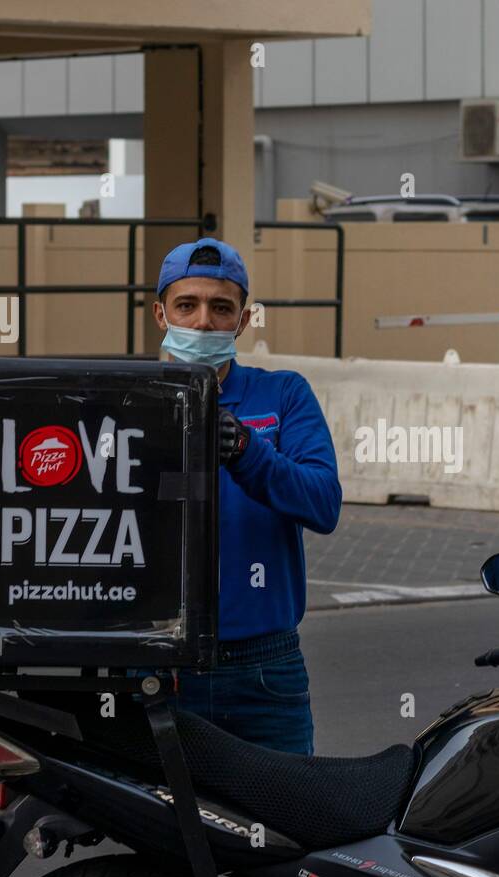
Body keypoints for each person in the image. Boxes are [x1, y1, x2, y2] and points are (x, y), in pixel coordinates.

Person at [152, 237, 341, 755]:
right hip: (156, 666)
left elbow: (324, 504)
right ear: (160, 314)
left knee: (286, 828)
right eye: (186, 305)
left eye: (221, 308)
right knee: (164, 831)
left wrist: (247, 451)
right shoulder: (129, 400)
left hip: (265, 670)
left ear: (242, 320)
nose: (203, 321)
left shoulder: (282, 393)